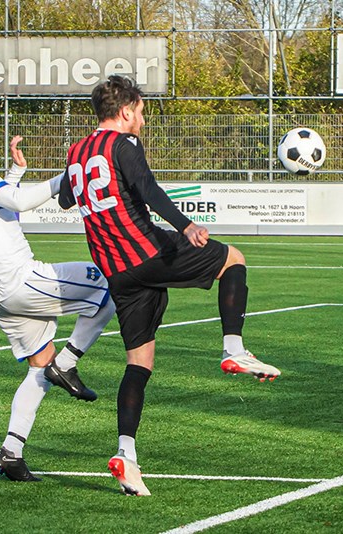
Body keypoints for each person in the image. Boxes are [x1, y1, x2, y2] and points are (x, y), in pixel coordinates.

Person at [57, 75, 280, 497]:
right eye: (140, 111)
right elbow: (147, 189)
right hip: (146, 252)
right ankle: (234, 350)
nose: (143, 118)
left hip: (117, 272)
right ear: (125, 111)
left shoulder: (77, 150)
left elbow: (67, 199)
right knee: (233, 259)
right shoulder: (125, 145)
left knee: (139, 362)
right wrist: (185, 224)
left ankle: (127, 456)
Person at [0, 108, 116, 482]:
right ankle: (68, 363)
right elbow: (19, 204)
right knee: (111, 282)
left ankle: (11, 452)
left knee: (39, 366)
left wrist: (16, 174)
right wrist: (66, 177)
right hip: (20, 279)